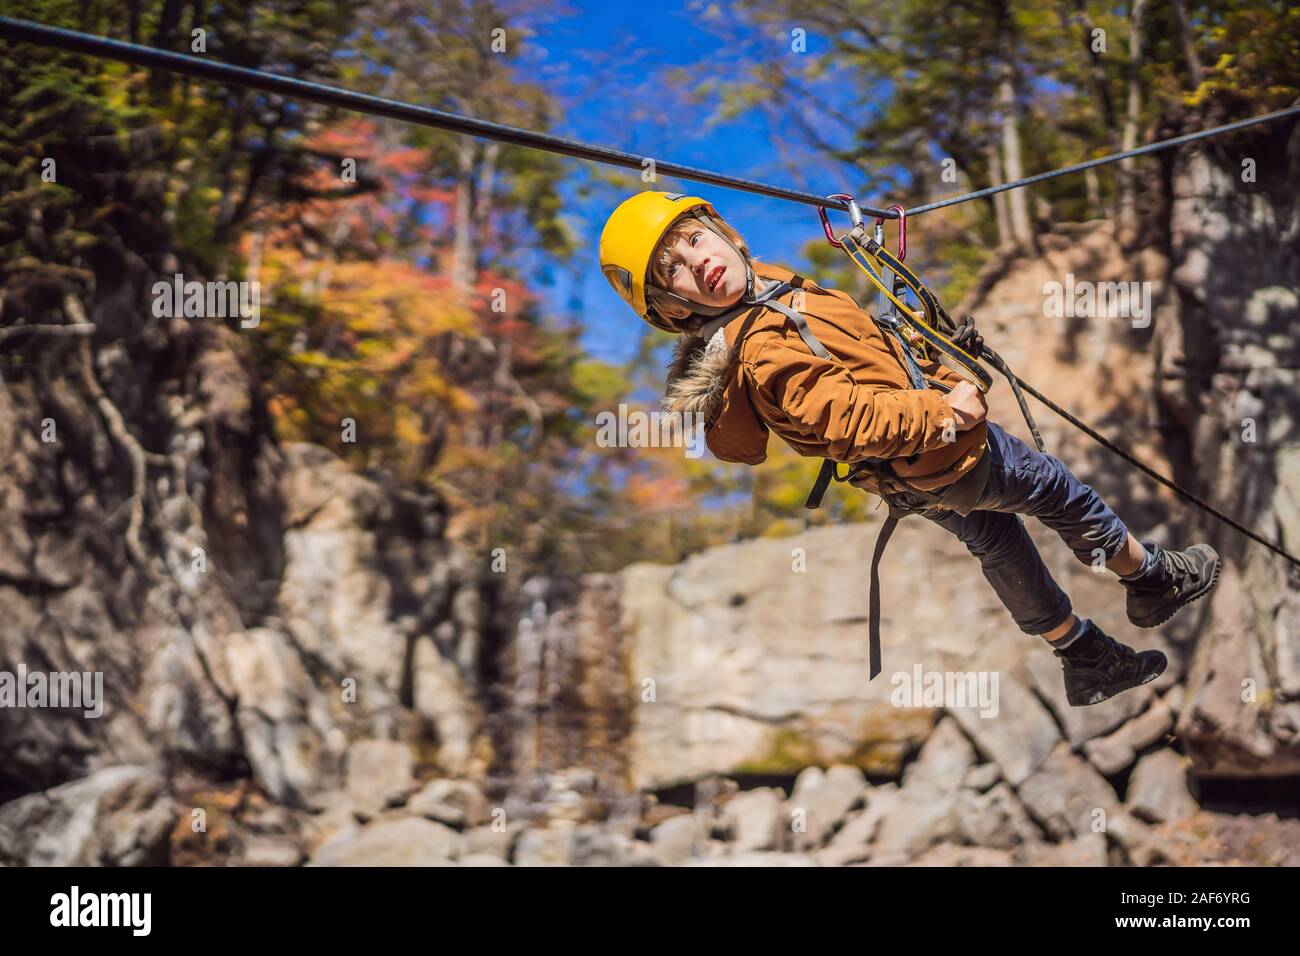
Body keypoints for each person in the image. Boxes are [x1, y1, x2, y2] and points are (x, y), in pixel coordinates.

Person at [599, 190, 1221, 706]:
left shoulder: (768, 294)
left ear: (722, 230)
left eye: (696, 238)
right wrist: (945, 410)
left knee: (995, 539)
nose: (697, 261)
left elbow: (871, 350)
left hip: (912, 474)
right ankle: (1150, 578)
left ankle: (1081, 654)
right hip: (937, 447)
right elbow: (848, 418)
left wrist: (933, 358)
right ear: (674, 307)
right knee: (1054, 489)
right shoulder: (763, 344)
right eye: (673, 271)